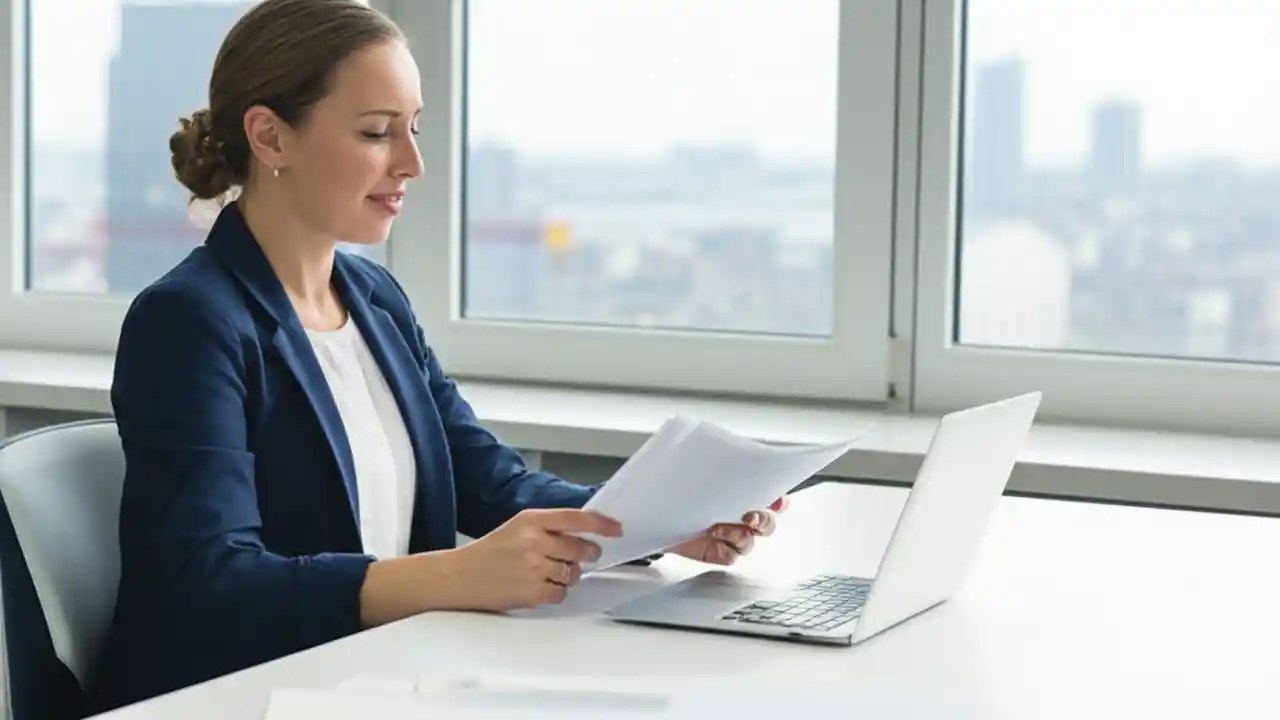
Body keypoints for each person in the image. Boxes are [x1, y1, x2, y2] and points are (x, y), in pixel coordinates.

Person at [88, 0, 785, 712]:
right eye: (375, 132)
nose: (412, 163)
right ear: (270, 138)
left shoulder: (374, 298)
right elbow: (211, 583)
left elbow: (492, 484)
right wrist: (456, 575)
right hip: (239, 699)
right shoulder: (189, 319)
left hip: (379, 680)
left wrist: (666, 524)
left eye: (413, 128)